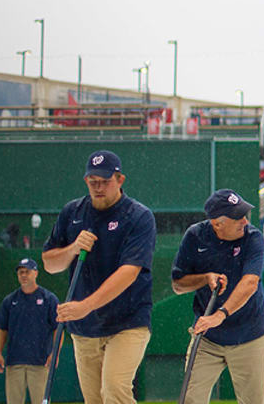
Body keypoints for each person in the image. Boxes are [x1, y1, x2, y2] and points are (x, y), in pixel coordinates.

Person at [42, 150, 156, 404]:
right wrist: (72, 249)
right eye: (93, 181)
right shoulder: (72, 213)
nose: (98, 187)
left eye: (105, 181)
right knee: (94, 400)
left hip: (128, 321)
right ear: (85, 181)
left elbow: (129, 272)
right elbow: (50, 264)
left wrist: (85, 306)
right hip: (85, 329)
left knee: (114, 389)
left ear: (120, 180)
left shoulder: (138, 217)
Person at [171, 190, 264, 404]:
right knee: (191, 399)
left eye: (245, 214)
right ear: (217, 224)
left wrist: (220, 315)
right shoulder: (195, 236)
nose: (244, 220)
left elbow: (250, 282)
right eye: (237, 217)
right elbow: (178, 284)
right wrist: (205, 278)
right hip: (207, 339)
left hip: (249, 336)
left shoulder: (253, 238)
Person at [0, 258, 60, 404]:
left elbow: (58, 328)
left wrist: (54, 353)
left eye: (27, 272)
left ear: (36, 273)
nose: (23, 275)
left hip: (40, 363)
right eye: (20, 272)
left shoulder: (49, 299)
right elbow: (1, 328)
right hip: (14, 363)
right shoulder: (10, 301)